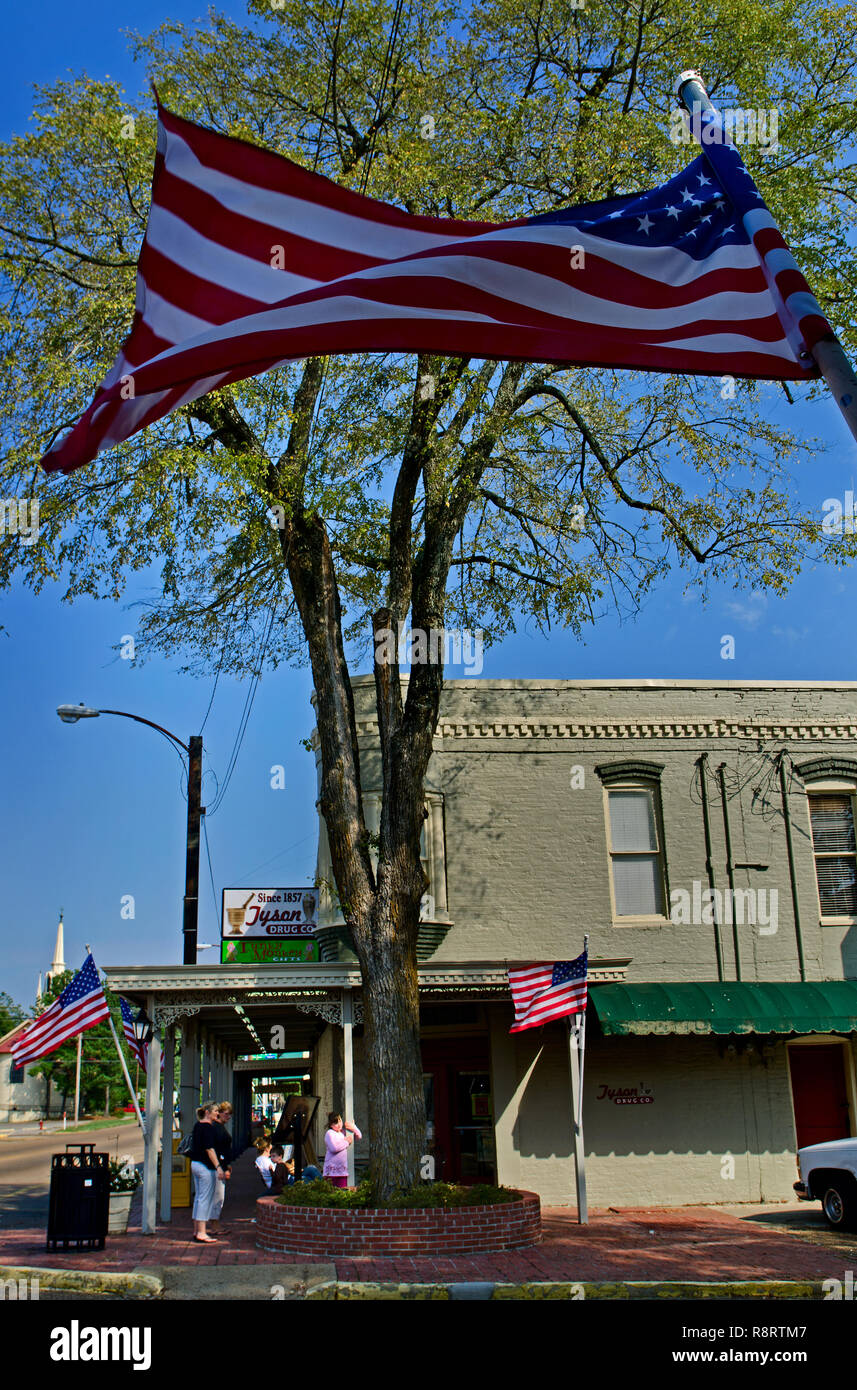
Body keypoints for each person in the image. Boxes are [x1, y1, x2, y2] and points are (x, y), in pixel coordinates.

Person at [189, 1102, 225, 1243]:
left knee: (199, 1198)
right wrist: (218, 1167)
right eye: (216, 1111)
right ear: (208, 1112)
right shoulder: (208, 1128)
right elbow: (210, 1149)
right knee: (205, 1199)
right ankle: (202, 1232)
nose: (218, 1113)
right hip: (205, 1167)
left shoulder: (197, 1125)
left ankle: (196, 1230)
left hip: (195, 1164)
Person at [209, 1101, 233, 1234]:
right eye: (227, 1114)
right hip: (218, 1168)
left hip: (219, 1166)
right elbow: (220, 1151)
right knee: (218, 1196)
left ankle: (214, 1222)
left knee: (218, 1195)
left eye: (230, 1114)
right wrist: (224, 1167)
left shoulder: (218, 1127)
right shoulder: (217, 1129)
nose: (228, 1117)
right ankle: (214, 1224)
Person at [322, 1112, 361, 1189]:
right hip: (331, 1172)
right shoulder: (330, 1133)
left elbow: (359, 1136)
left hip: (342, 1171)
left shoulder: (344, 1133)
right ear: (331, 1125)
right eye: (336, 1123)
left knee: (342, 1191)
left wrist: (353, 1127)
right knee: (330, 1192)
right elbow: (334, 1148)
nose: (339, 1124)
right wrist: (346, 1142)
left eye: (340, 1121)